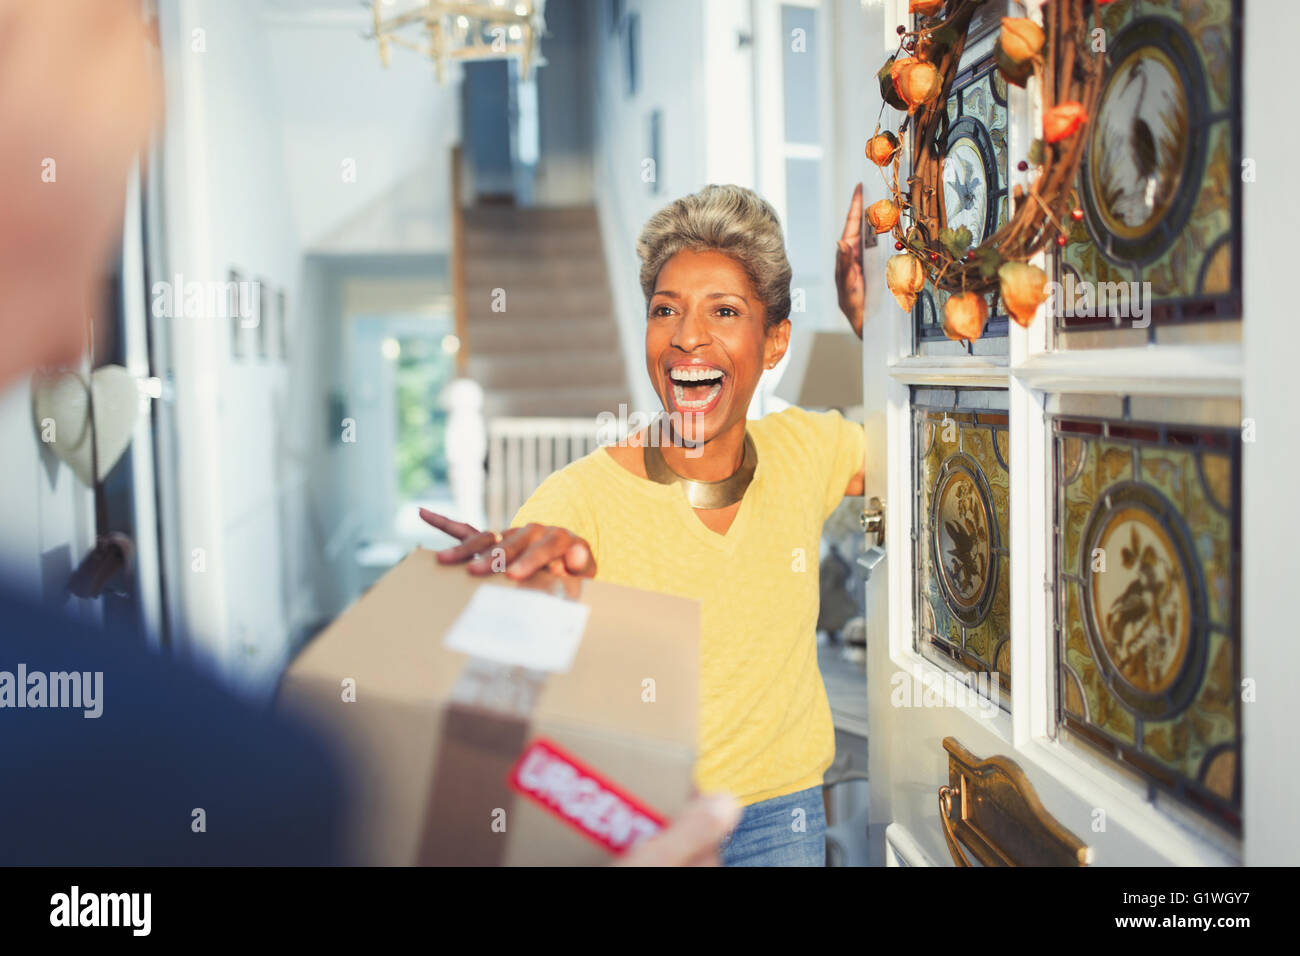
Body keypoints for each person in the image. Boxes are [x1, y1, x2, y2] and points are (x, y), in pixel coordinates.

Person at [0, 0, 736, 867]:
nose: (143, 97)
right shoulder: (218, 778)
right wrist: (534, 554)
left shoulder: (799, 455)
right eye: (107, 36)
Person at [422, 183, 870, 866]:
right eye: (667, 311)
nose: (688, 336)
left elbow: (935, 444)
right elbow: (502, 678)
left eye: (724, 310)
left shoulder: (807, 449)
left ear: (775, 340)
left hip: (786, 817)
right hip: (647, 823)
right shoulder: (575, 500)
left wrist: (875, 328)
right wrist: (507, 589)